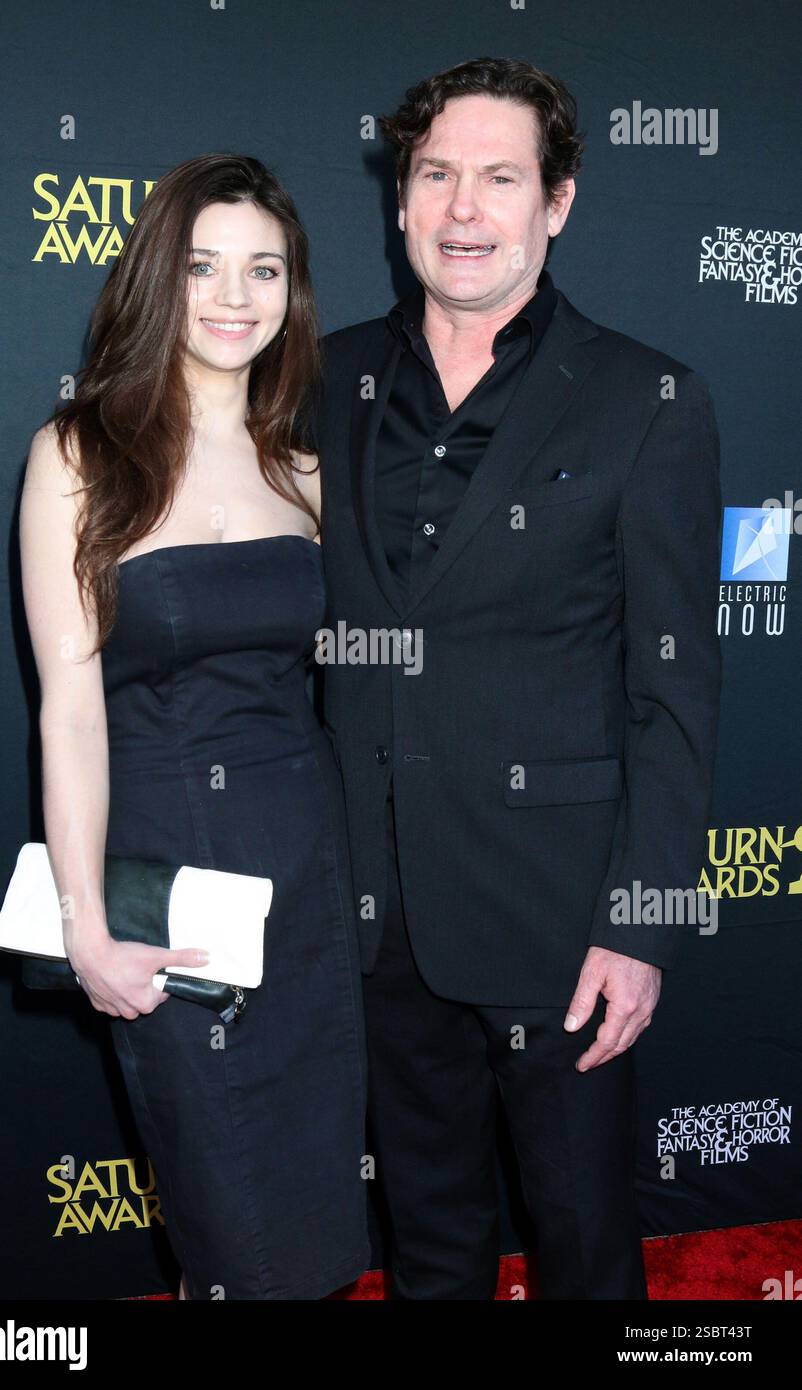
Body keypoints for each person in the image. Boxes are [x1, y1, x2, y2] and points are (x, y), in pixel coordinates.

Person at [313, 57, 722, 1299]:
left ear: (558, 202)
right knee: (425, 1247)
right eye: (435, 175)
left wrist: (639, 920)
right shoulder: (319, 384)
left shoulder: (644, 398)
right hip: (371, 912)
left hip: (559, 925)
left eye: (500, 177)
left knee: (584, 1246)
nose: (462, 210)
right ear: (399, 200)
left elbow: (672, 686)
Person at [19, 154, 370, 1301]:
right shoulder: (79, 454)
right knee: (226, 1211)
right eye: (204, 265)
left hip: (304, 865)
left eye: (263, 268)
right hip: (167, 876)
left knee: (313, 1209)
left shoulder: (305, 466)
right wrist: (84, 923)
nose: (234, 295)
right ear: (158, 280)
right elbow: (70, 715)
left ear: (292, 291)